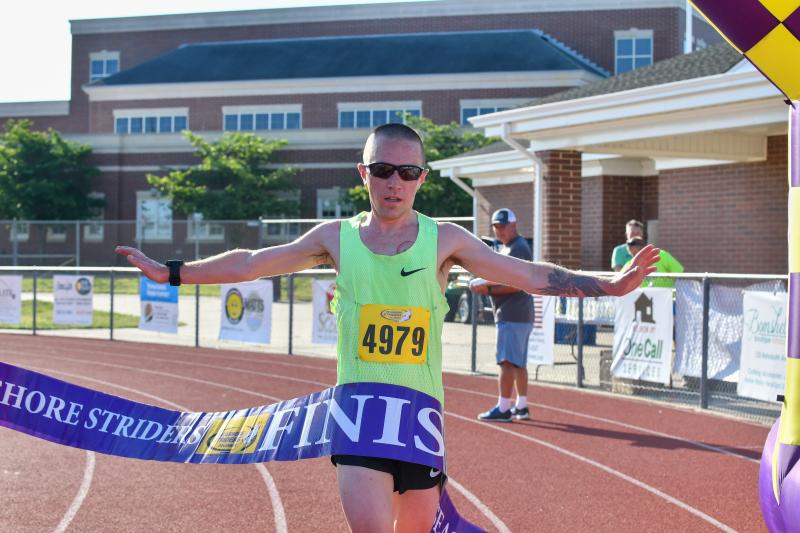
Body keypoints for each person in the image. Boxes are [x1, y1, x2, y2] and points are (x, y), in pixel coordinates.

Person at [116, 123, 660, 533]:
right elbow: (252, 263)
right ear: (365, 174)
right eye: (382, 170)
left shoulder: (446, 240)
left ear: (422, 178)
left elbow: (529, 274)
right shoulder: (336, 238)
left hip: (420, 418)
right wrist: (171, 273)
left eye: (408, 172)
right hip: (359, 413)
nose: (394, 183)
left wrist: (607, 286)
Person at [468, 208, 534, 422]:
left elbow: (517, 284)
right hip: (517, 313)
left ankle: (504, 407)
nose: (499, 230)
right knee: (518, 363)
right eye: (496, 226)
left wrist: (486, 289)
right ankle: (521, 406)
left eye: (503, 226)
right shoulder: (511, 247)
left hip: (512, 313)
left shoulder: (517, 248)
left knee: (506, 362)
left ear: (514, 225)